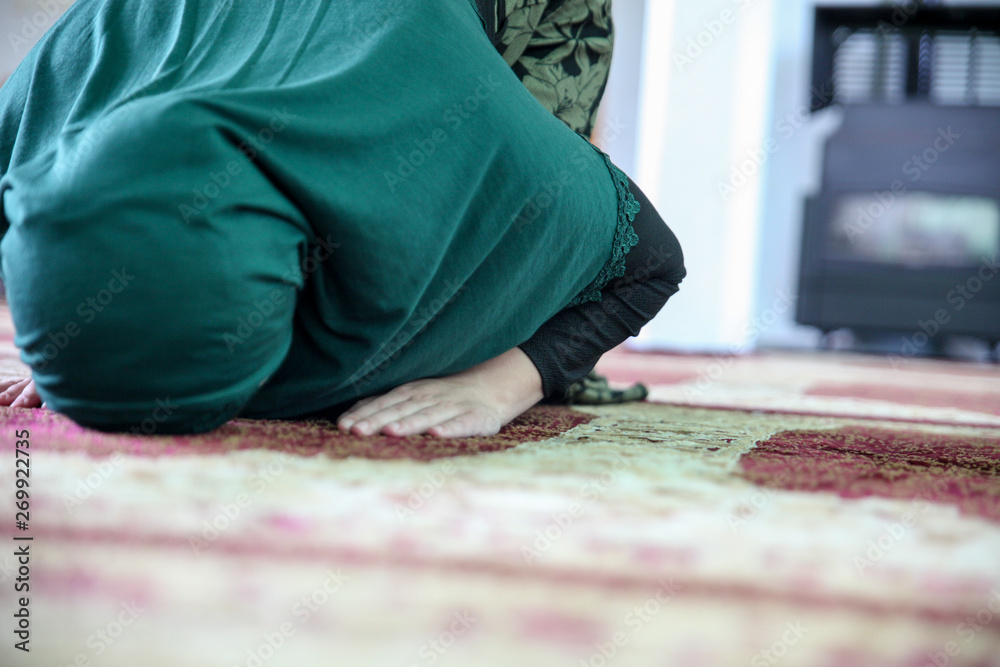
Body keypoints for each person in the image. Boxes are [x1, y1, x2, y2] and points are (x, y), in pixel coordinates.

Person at [0, 0, 684, 437]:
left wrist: (504, 382)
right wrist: (83, 315)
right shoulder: (61, 84)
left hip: (481, 34)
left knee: (518, 273)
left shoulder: (455, 130)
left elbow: (650, 263)